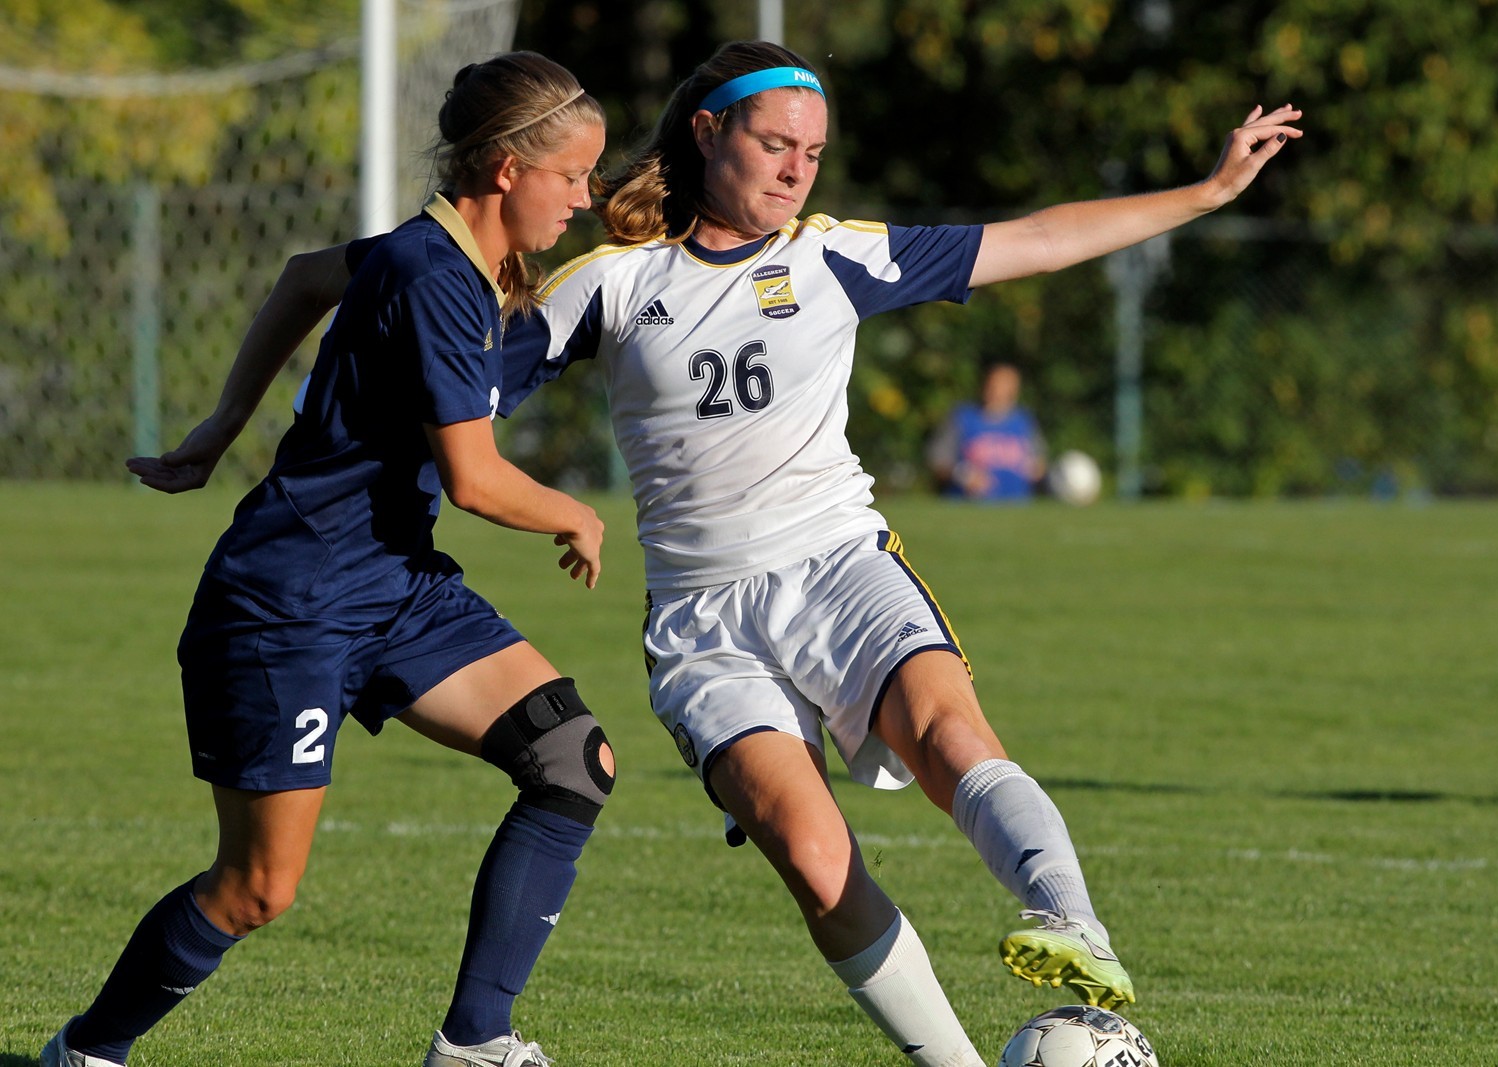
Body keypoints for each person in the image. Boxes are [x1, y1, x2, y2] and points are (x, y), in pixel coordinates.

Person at [227, 40, 1302, 1065]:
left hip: (840, 567)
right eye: (776, 143)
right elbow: (415, 312)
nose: (797, 168)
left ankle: (1069, 920)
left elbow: (1035, 237)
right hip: (703, 621)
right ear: (707, 133)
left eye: (813, 151)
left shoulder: (834, 254)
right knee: (814, 856)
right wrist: (297, 451)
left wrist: (1203, 194)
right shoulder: (608, 281)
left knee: (947, 731)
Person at [42, 53, 612, 1067]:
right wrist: (575, 512)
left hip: (392, 583)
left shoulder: (430, 254)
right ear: (504, 168)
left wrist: (221, 427)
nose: (585, 197)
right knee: (258, 887)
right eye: (572, 175)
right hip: (288, 603)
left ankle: (475, 1042)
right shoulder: (434, 277)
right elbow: (475, 477)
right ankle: (88, 1050)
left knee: (571, 757)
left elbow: (303, 275)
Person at [926, 361, 1048, 500]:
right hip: (965, 508)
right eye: (991, 384)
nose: (994, 390)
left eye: (1002, 385)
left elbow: (1039, 463)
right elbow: (938, 460)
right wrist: (964, 475)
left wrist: (1036, 469)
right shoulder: (962, 417)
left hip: (1015, 508)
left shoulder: (1024, 421)